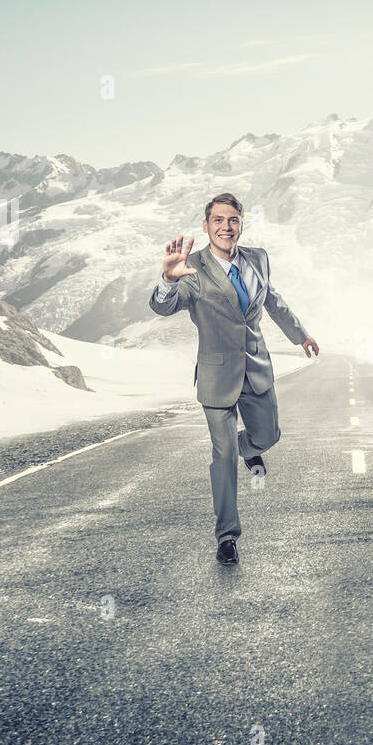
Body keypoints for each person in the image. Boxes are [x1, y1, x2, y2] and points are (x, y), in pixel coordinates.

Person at [149, 192, 319, 564]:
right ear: (206, 225)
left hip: (256, 368)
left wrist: (300, 334)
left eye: (233, 220)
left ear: (241, 224)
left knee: (267, 436)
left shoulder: (258, 259)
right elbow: (164, 305)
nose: (226, 227)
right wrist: (167, 280)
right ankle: (227, 536)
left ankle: (249, 450)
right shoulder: (192, 268)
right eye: (218, 220)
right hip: (216, 376)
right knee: (222, 456)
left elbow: (273, 300)